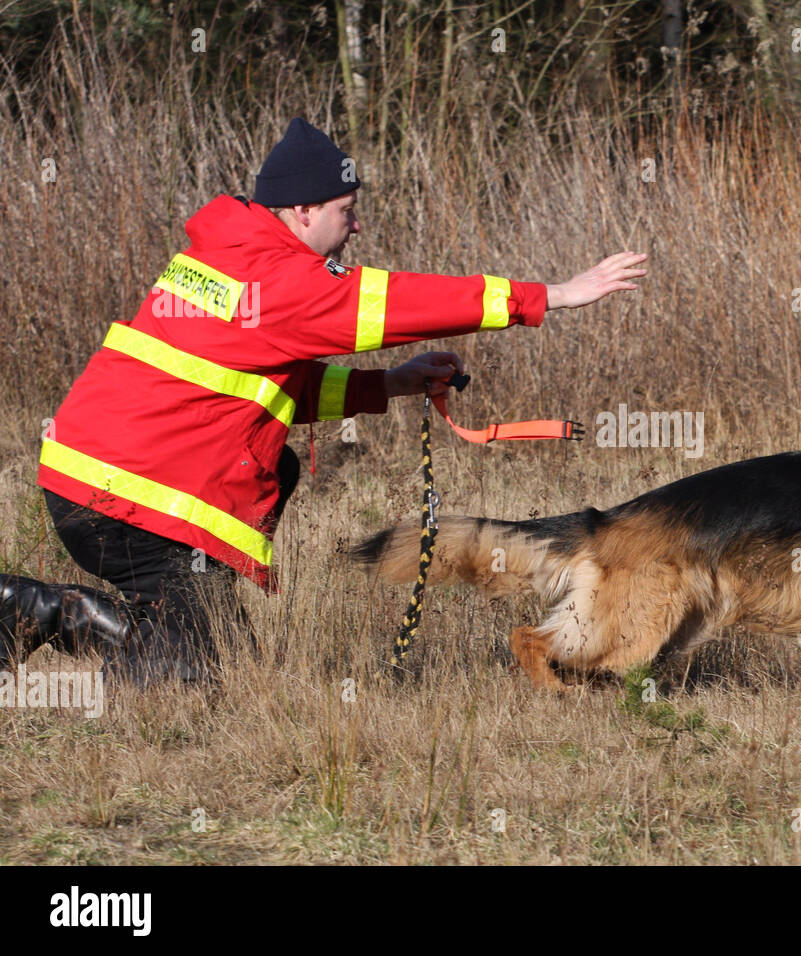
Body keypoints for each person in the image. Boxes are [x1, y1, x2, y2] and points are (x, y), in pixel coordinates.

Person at [3, 117, 647, 685]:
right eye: (348, 209)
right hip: (126, 503)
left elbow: (266, 390)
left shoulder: (234, 255)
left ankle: (152, 634)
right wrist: (553, 296)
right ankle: (40, 611)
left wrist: (386, 384)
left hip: (98, 483)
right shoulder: (283, 281)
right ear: (305, 210)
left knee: (225, 644)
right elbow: (400, 301)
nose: (356, 224)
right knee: (189, 677)